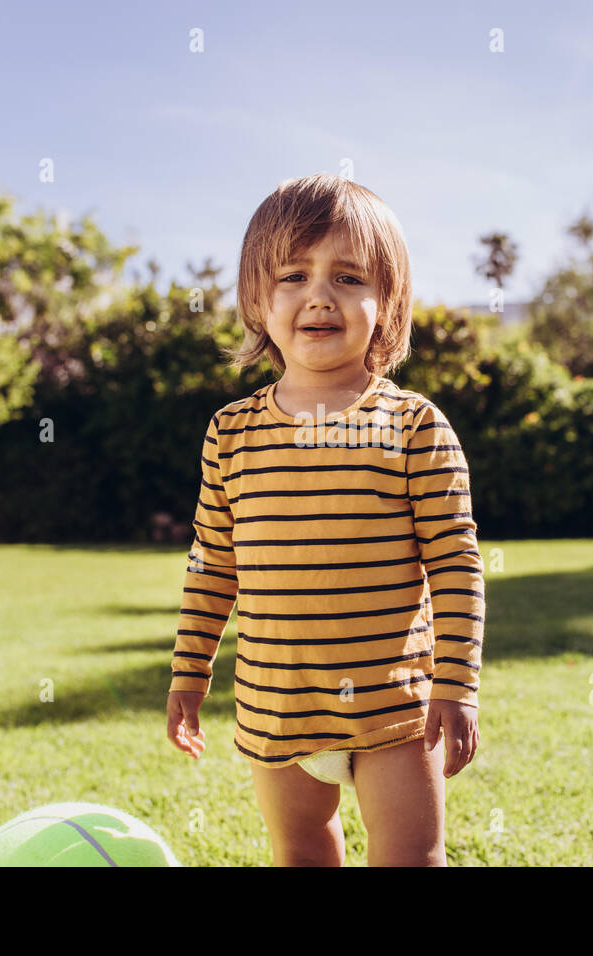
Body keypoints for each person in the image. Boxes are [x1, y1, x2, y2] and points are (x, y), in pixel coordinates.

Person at [165, 173, 485, 867]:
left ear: (387, 302)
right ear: (258, 299)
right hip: (276, 703)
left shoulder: (414, 425)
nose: (319, 295)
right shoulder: (231, 432)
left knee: (411, 854)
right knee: (301, 848)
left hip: (392, 708)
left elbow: (457, 564)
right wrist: (189, 676)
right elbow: (213, 564)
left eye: (347, 276)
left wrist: (457, 683)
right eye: (292, 275)